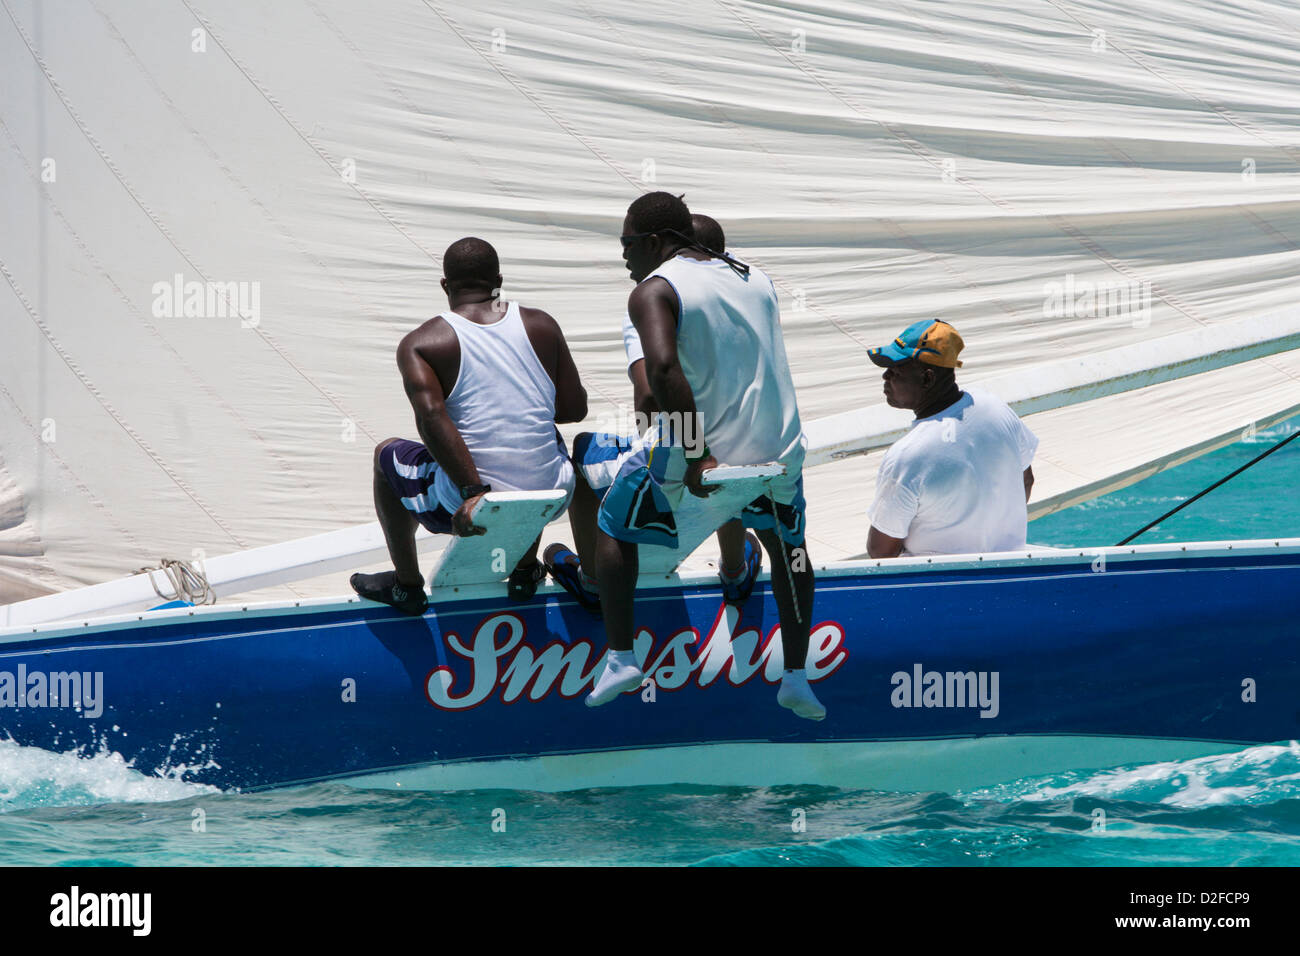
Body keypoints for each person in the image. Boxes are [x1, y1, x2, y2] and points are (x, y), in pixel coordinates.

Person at [552, 191, 826, 720]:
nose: (625, 258)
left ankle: (621, 657)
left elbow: (661, 375)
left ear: (654, 241)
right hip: (780, 451)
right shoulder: (756, 277)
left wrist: (698, 456)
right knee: (789, 547)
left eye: (627, 244)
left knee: (610, 522)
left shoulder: (654, 290)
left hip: (706, 452)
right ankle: (796, 675)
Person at [350, 237, 587, 614]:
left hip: (465, 508)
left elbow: (431, 419)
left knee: (386, 454)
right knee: (542, 436)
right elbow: (574, 409)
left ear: (445, 285)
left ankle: (406, 585)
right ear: (499, 280)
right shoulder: (542, 324)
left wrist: (473, 491)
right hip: (551, 496)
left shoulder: (422, 342)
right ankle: (526, 570)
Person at [546, 213, 761, 613]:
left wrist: (659, 437)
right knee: (723, 457)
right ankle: (734, 569)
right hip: (750, 447)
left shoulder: (652, 302)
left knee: (584, 447)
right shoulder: (749, 297)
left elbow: (648, 398)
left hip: (680, 459)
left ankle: (594, 581)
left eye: (628, 243)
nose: (625, 253)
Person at [866, 319, 1037, 558]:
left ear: (927, 379)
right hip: (1008, 569)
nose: (885, 377)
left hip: (941, 587)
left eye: (895, 371)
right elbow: (1026, 479)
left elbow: (880, 553)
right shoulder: (995, 407)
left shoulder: (908, 456)